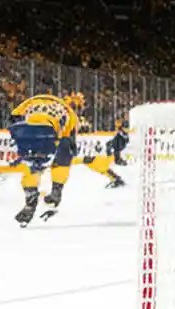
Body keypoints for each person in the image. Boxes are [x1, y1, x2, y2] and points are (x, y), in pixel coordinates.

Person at [8, 93, 124, 226]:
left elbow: (13, 116)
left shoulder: (33, 101)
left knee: (32, 166)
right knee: (63, 157)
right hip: (50, 137)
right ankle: (56, 189)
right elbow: (69, 141)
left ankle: (31, 196)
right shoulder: (70, 114)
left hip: (27, 136)